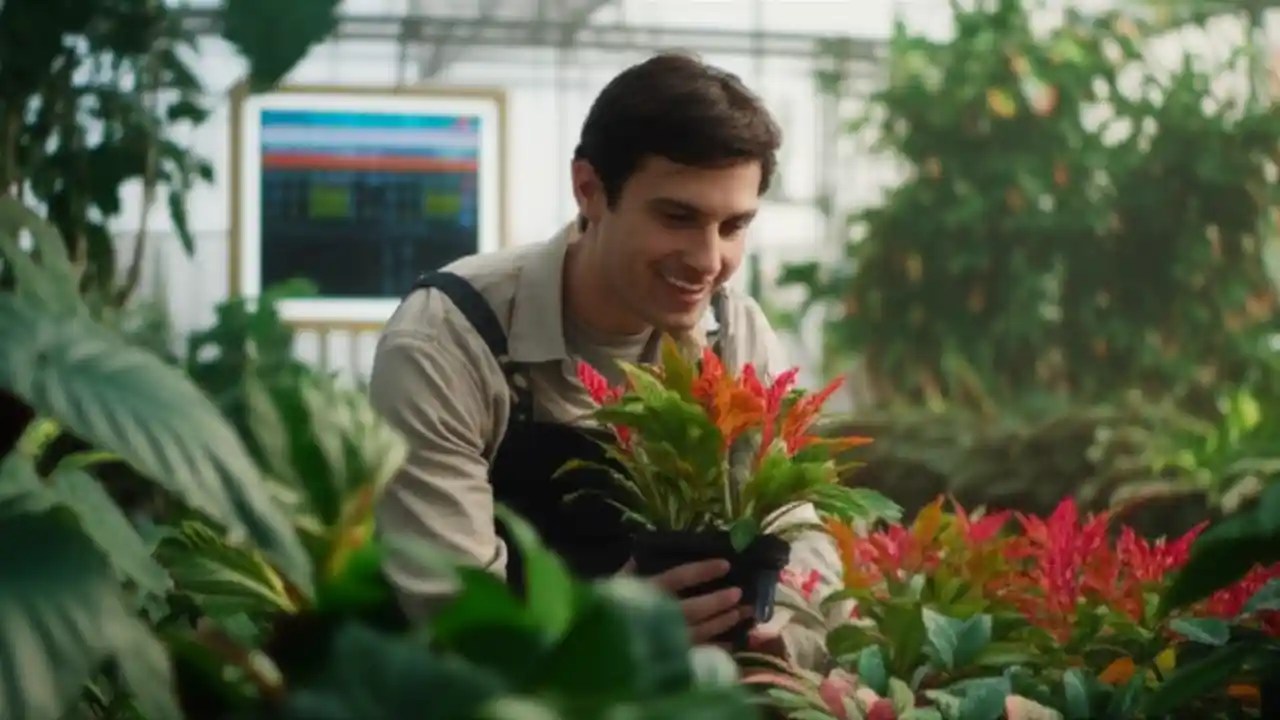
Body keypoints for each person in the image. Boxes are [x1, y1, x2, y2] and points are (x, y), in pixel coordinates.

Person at [369, 51, 843, 668]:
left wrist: (786, 639)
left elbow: (796, 530)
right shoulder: (452, 340)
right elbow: (455, 611)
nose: (708, 259)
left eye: (733, 226)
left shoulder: (732, 332)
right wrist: (608, 632)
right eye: (678, 217)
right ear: (589, 189)